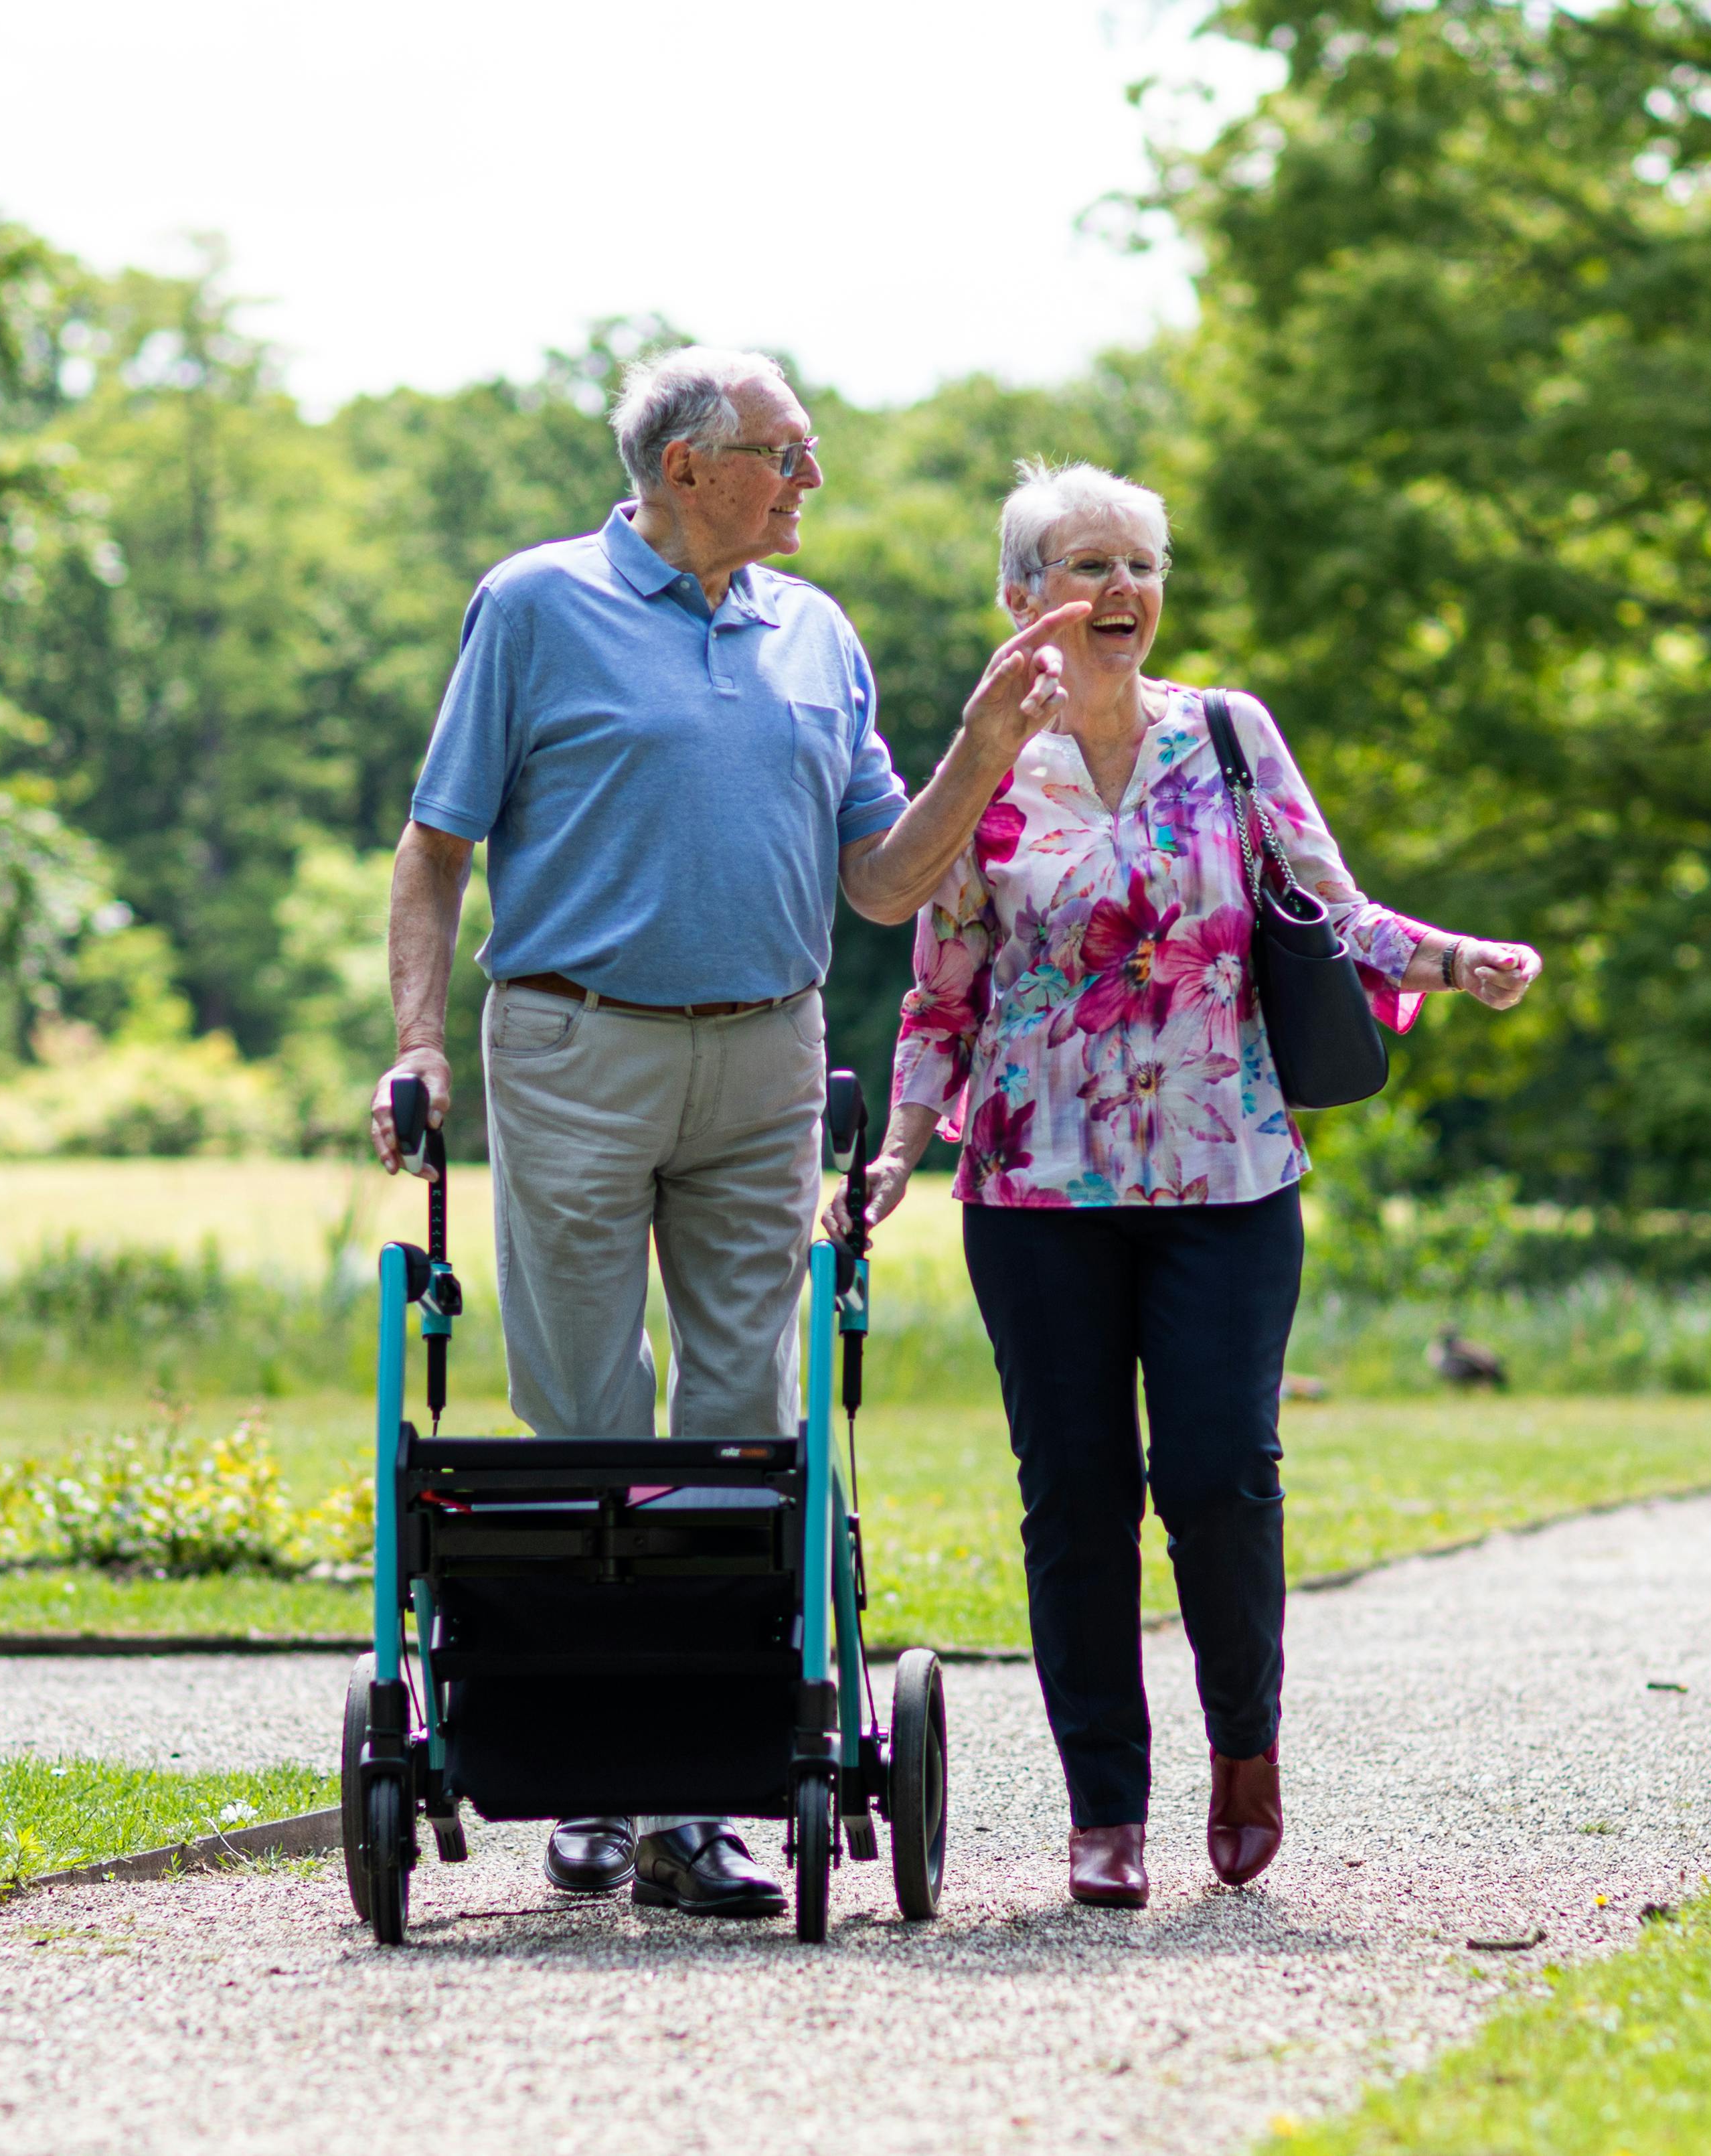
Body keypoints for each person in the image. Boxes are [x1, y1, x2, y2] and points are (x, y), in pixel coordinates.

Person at [373, 349, 1088, 1918]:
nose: (809, 481)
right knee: (582, 1415)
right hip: (570, 1044)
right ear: (689, 465)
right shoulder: (535, 604)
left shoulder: (815, 633)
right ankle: (589, 1774)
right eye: (786, 452)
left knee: (742, 1424)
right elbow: (434, 851)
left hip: (768, 1050)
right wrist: (420, 1042)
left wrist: (978, 744)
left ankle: (697, 1797)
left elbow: (886, 885)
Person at [829, 462, 1539, 1908]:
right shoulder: (982, 766)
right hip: (1033, 1186)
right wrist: (902, 1146)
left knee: (1219, 1472)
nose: (1123, 592)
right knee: (1074, 1495)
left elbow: (1330, 911)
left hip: (1227, 1167)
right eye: (1088, 566)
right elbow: (941, 981)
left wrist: (1455, 961)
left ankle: (1244, 1746)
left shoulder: (1226, 733)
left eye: (1142, 565)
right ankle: (1105, 1804)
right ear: (1022, 599)